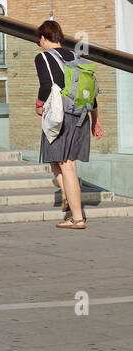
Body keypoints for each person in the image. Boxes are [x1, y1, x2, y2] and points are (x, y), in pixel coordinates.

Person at [34, 20, 103, 230]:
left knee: (67, 164)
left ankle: (77, 218)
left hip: (60, 114)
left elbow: (46, 85)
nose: (40, 43)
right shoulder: (76, 57)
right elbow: (90, 90)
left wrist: (38, 105)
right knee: (55, 157)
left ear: (44, 38)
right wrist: (96, 119)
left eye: (40, 40)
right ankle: (66, 193)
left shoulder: (43, 56)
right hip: (81, 114)